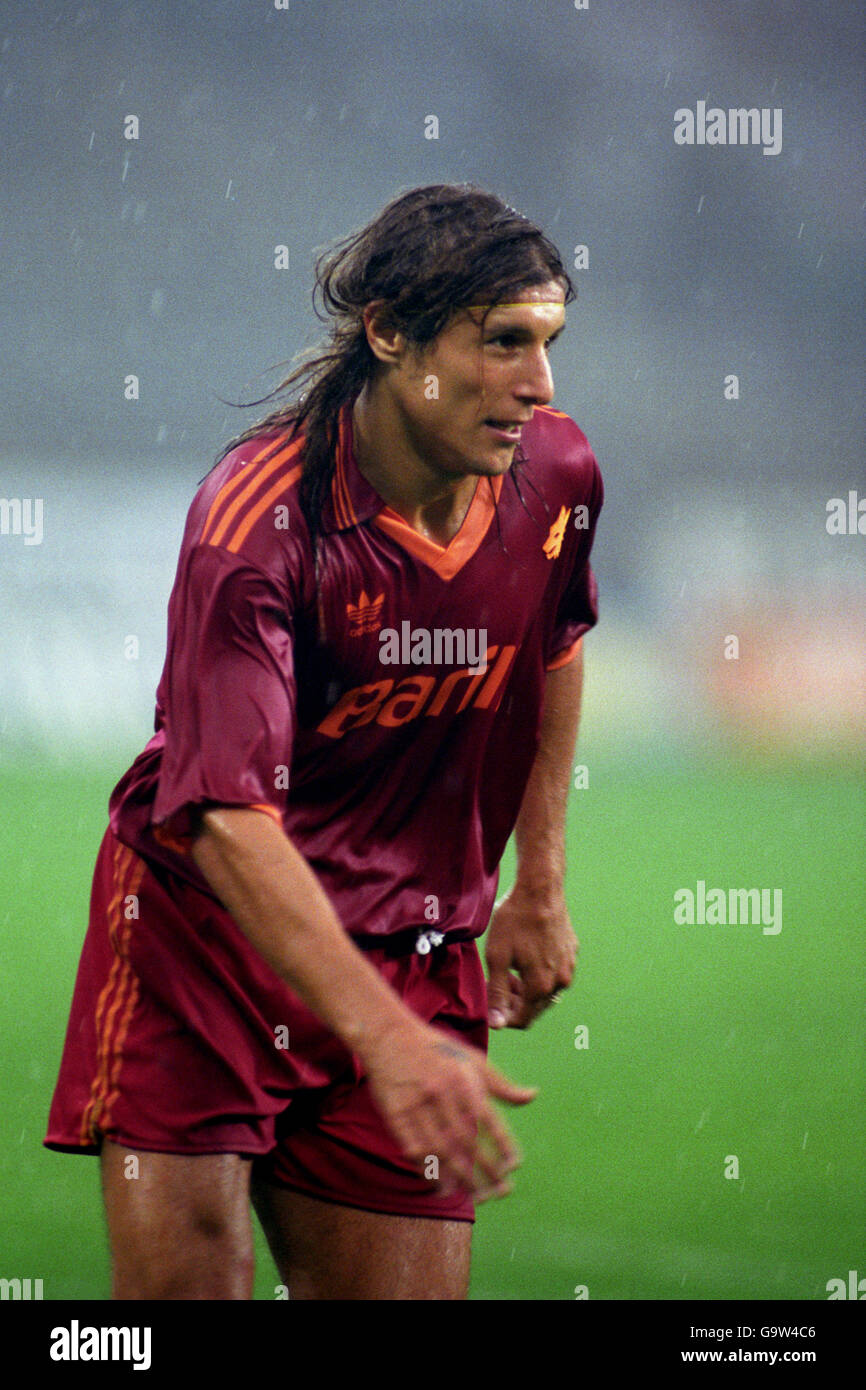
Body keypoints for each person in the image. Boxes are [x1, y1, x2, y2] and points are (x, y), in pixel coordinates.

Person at [45, 183, 604, 1300]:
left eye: (546, 344)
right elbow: (223, 817)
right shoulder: (257, 525)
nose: (537, 385)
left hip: (415, 950)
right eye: (501, 342)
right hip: (204, 945)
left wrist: (536, 881)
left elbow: (551, 645)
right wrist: (386, 1043)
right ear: (389, 331)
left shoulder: (557, 475)